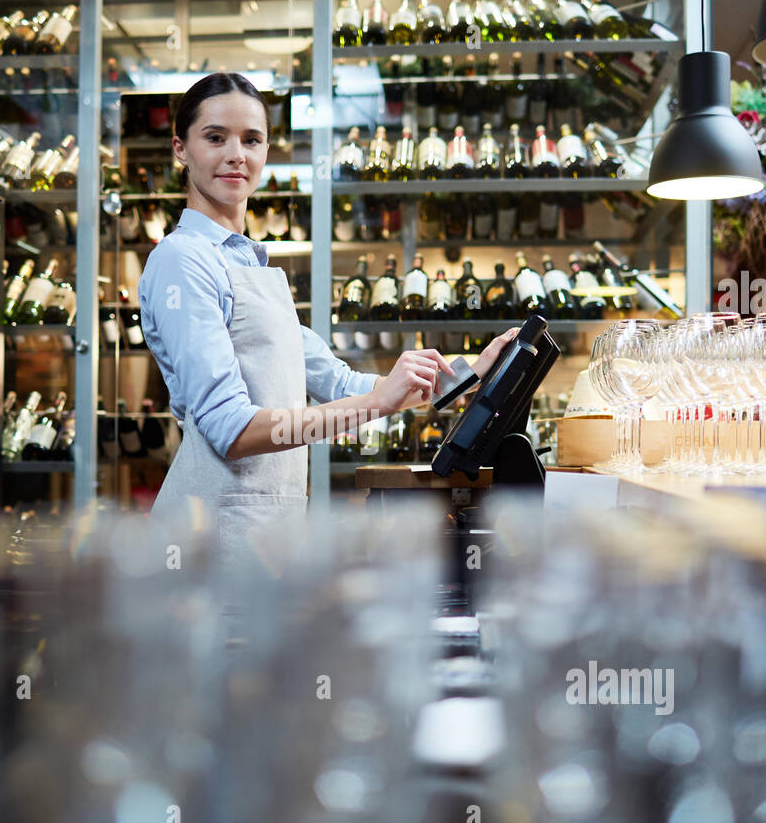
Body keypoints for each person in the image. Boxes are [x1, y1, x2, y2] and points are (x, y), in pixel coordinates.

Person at [139, 72, 517, 570]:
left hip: (264, 536)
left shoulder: (251, 266)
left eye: (251, 139)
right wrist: (373, 402)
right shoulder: (182, 260)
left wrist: (471, 374)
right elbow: (229, 430)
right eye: (215, 137)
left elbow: (343, 383)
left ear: (267, 151)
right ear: (181, 149)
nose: (236, 154)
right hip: (210, 543)